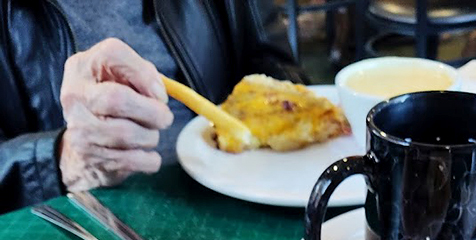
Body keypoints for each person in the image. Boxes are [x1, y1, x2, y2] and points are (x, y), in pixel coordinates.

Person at [0, 0, 303, 213]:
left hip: (247, 197)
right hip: (78, 232)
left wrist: (284, 117)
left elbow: (274, 63)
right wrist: (63, 159)